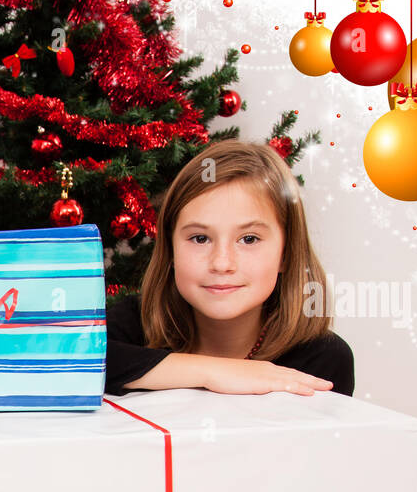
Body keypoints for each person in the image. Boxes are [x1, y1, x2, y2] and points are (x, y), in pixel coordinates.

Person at [106, 139, 354, 397]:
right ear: (170, 250)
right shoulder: (135, 322)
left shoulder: (321, 358)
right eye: (200, 239)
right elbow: (69, 359)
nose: (222, 263)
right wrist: (213, 372)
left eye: (249, 239)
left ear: (286, 253)